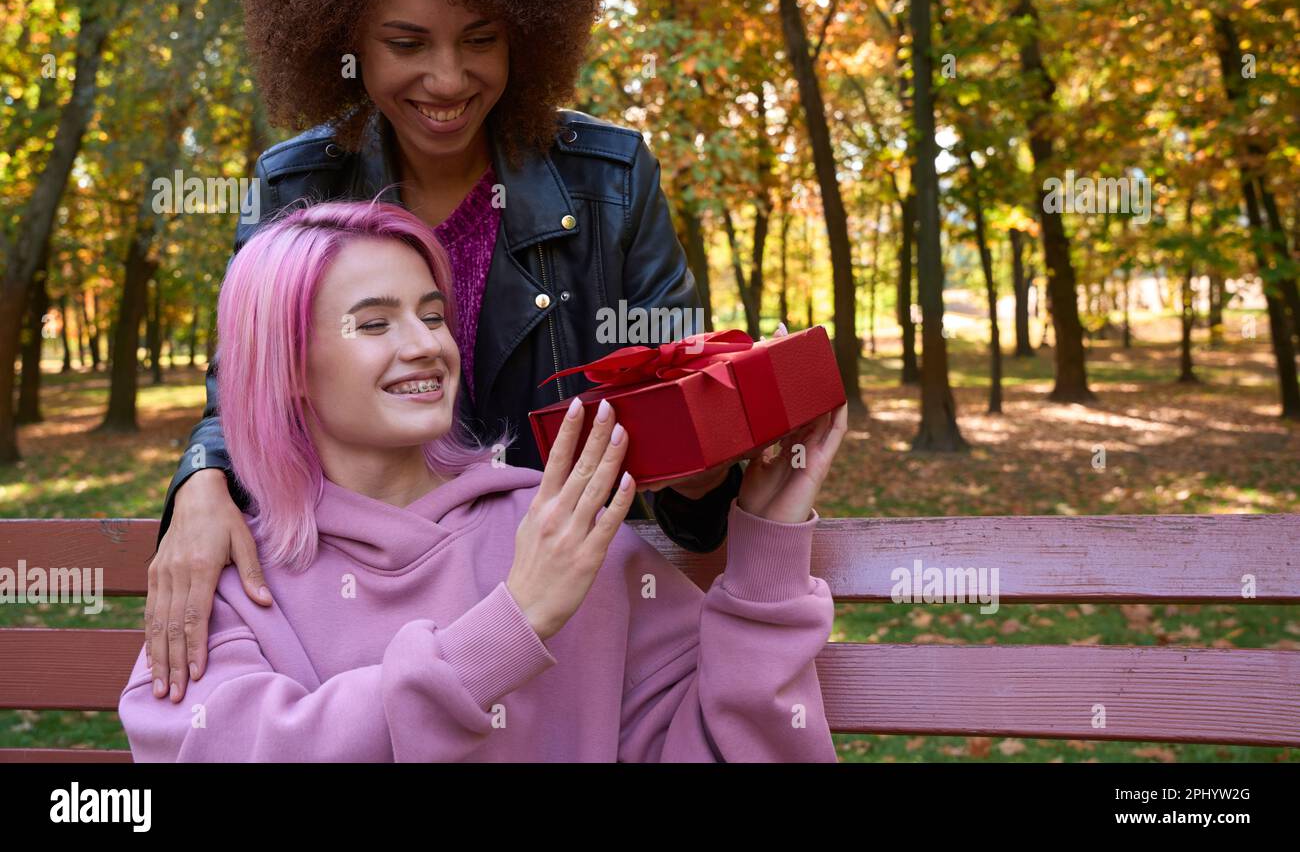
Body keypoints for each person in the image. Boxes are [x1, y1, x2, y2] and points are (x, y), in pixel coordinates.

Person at [147, 0, 751, 703]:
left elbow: (690, 494)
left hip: (566, 623)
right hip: (364, 627)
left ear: (526, 35)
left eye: (481, 40)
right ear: (344, 41)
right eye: (405, 43)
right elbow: (247, 390)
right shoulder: (297, 185)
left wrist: (706, 466)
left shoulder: (608, 181)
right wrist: (199, 482)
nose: (447, 79)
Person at [119, 200, 848, 762]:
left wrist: (767, 558)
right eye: (373, 325)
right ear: (285, 367)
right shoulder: (228, 583)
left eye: (432, 315)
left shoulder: (559, 526)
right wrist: (512, 626)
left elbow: (722, 747)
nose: (425, 346)